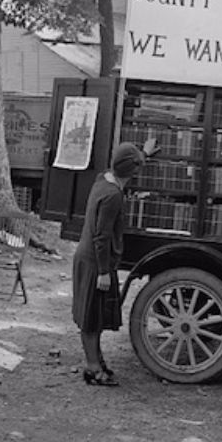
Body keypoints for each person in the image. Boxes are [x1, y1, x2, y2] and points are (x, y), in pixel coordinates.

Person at [72, 140, 156, 386]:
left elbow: (125, 163)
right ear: (132, 172)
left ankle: (96, 361)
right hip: (96, 263)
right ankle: (93, 368)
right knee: (91, 318)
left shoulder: (103, 180)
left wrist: (144, 154)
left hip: (87, 258)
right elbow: (102, 235)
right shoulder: (113, 197)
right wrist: (103, 272)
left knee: (94, 317)